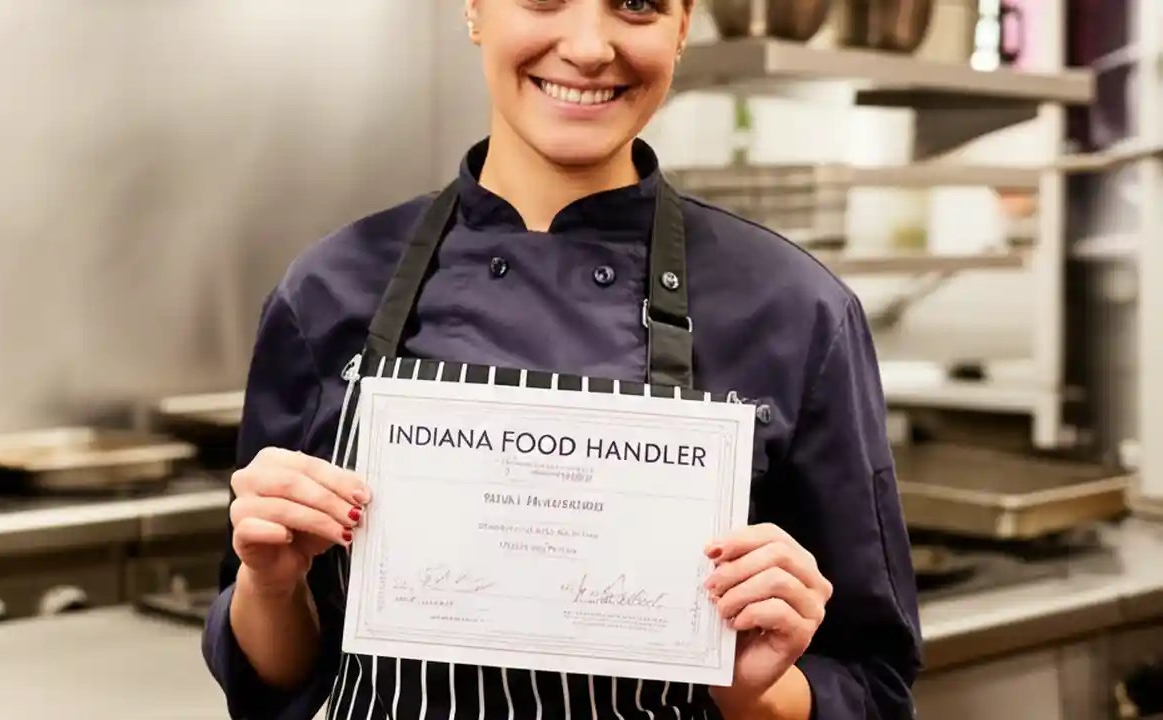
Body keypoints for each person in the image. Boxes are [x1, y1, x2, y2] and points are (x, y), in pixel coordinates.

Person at [202, 0, 922, 718]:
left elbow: (873, 689)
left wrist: (748, 683)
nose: (587, 47)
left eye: (637, 4)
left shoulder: (795, 311)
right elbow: (276, 681)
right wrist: (270, 585)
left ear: (682, 25)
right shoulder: (328, 291)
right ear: (476, 9)